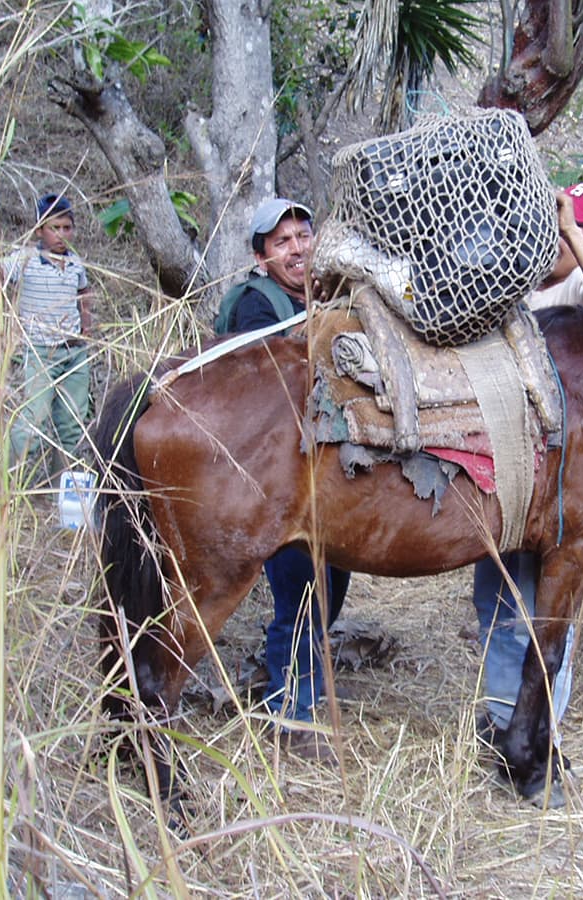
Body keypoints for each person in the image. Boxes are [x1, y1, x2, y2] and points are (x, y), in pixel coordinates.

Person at [474, 181, 583, 755]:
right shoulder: (521, 279)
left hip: (558, 483)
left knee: (547, 614)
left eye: (563, 229)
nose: (548, 237)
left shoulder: (580, 285)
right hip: (507, 472)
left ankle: (543, 730)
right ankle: (502, 721)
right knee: (496, 602)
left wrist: (574, 236)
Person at [229, 198, 352, 762]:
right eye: (282, 242)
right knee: (298, 596)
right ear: (261, 257)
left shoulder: (319, 295)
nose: (298, 248)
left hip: (326, 479)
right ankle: (291, 717)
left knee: (325, 594)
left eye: (304, 235)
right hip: (281, 483)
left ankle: (299, 690)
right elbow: (278, 377)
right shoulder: (258, 304)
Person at [0, 193, 94, 480]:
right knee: (31, 424)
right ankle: (6, 488)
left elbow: (84, 292)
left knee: (72, 425)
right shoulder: (26, 260)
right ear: (39, 230)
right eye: (54, 228)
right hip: (39, 352)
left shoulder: (75, 263)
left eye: (67, 228)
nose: (62, 235)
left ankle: (60, 489)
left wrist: (86, 326)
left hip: (73, 352)